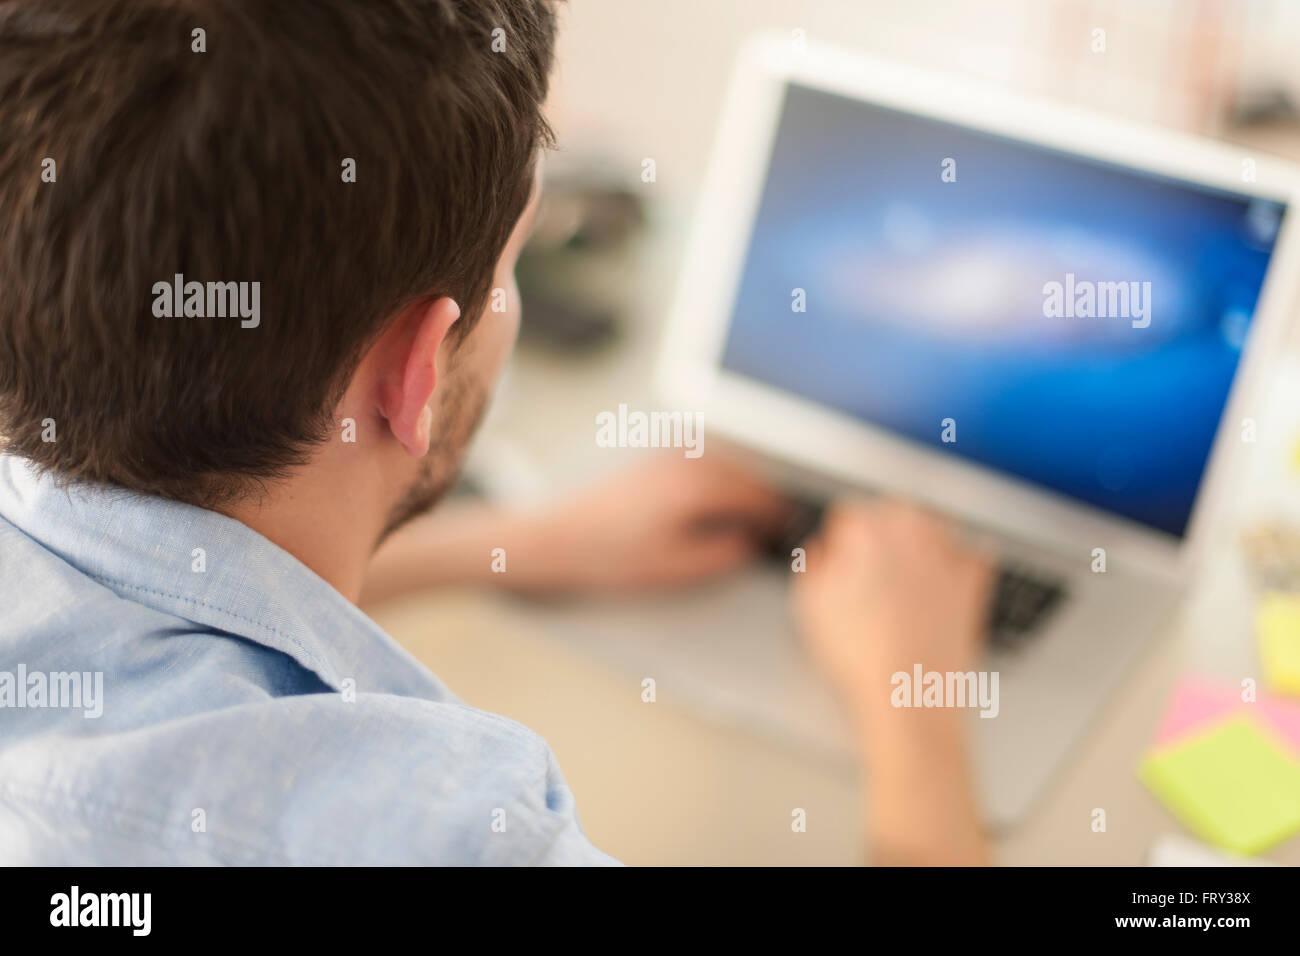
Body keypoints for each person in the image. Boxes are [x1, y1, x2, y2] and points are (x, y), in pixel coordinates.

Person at [0, 0, 991, 865]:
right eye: (512, 263)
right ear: (418, 368)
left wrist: (516, 545)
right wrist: (914, 717)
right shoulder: (447, 831)